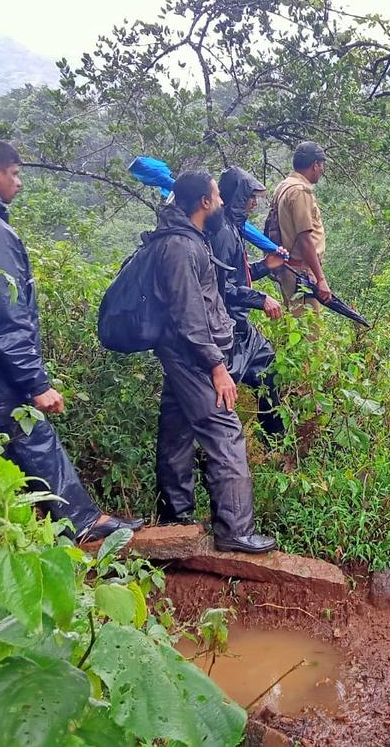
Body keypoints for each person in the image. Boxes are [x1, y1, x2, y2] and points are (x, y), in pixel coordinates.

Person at [0, 138, 142, 543]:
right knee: (33, 439)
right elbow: (6, 315)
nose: (19, 183)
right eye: (16, 174)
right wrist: (35, 383)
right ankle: (82, 525)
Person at [149, 171, 276, 553]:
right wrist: (217, 366)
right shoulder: (182, 248)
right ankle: (235, 531)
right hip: (194, 357)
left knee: (176, 430)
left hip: (183, 353)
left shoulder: (187, 239)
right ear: (205, 202)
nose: (222, 203)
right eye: (217, 197)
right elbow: (190, 315)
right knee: (225, 434)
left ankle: (174, 514)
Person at [210, 166, 286, 438]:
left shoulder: (234, 229)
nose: (254, 203)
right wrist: (261, 298)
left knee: (267, 368)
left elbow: (238, 274)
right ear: (238, 198)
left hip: (240, 328)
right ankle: (220, 455)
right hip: (224, 329)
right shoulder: (220, 233)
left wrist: (266, 265)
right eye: (250, 197)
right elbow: (221, 287)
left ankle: (276, 444)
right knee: (219, 399)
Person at [265, 141, 331, 315]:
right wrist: (320, 278)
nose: (322, 170)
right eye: (322, 164)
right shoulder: (299, 191)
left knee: (294, 326)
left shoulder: (284, 186)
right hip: (301, 274)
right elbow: (304, 238)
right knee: (309, 335)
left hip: (289, 271)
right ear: (315, 165)